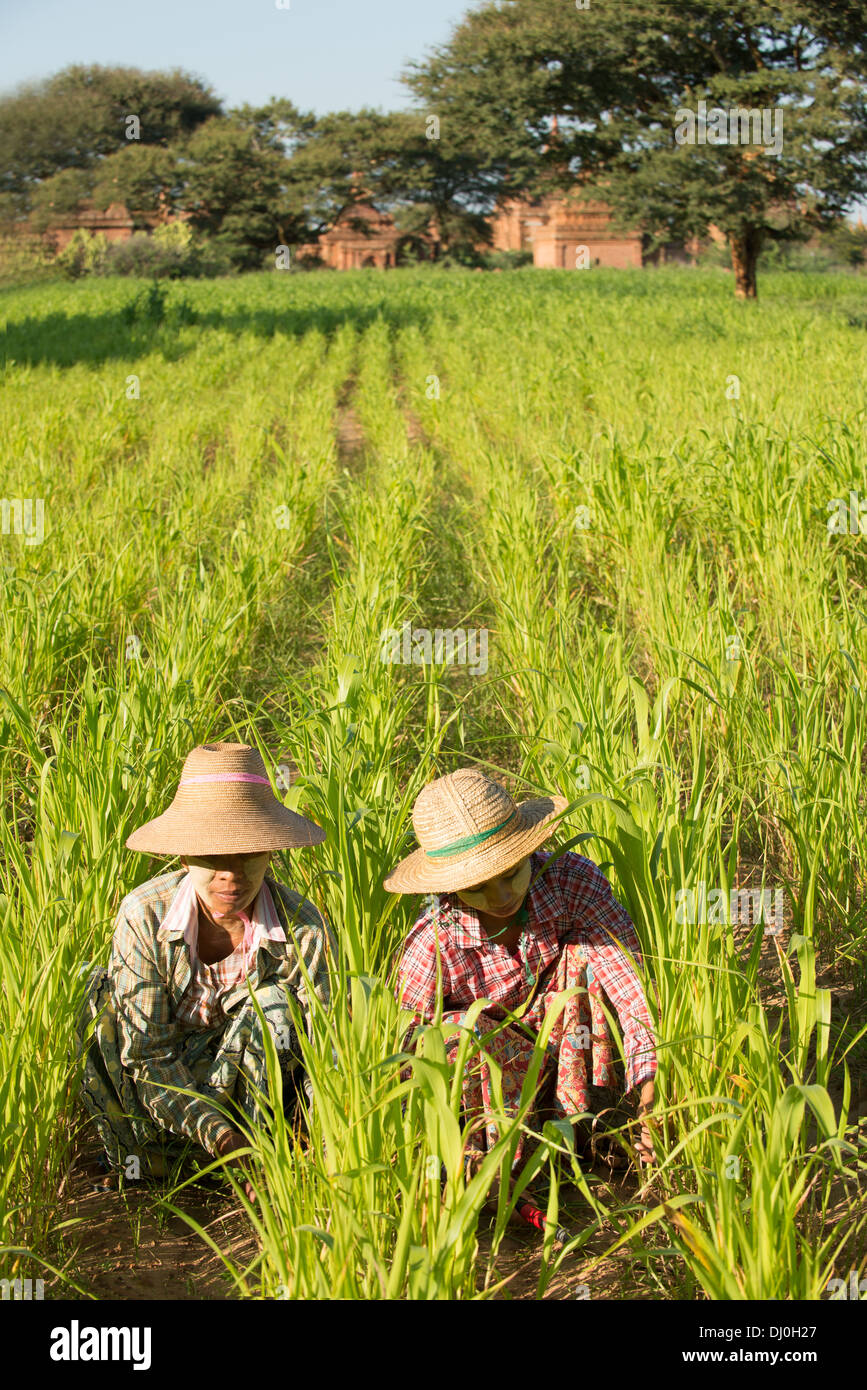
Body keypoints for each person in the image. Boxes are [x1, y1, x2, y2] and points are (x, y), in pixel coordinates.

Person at [76, 742, 333, 1191]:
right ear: (184, 857)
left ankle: (262, 1157)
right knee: (93, 997)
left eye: (248, 854)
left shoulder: (303, 928)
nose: (231, 875)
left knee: (274, 1006)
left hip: (252, 1104)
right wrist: (218, 1136)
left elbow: (324, 1054)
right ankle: (146, 1159)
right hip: (161, 1098)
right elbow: (148, 1054)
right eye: (213, 857)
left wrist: (329, 1144)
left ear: (272, 852)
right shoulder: (144, 915)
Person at [385, 767, 658, 1175]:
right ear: (448, 885)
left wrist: (652, 1108)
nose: (502, 897)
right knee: (451, 1033)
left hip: (571, 1053)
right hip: (497, 1090)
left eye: (512, 872)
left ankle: (598, 1126)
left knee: (587, 957)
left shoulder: (572, 883)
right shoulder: (434, 941)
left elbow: (631, 988)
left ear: (529, 850)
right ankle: (496, 1167)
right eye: (477, 886)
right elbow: (404, 1052)